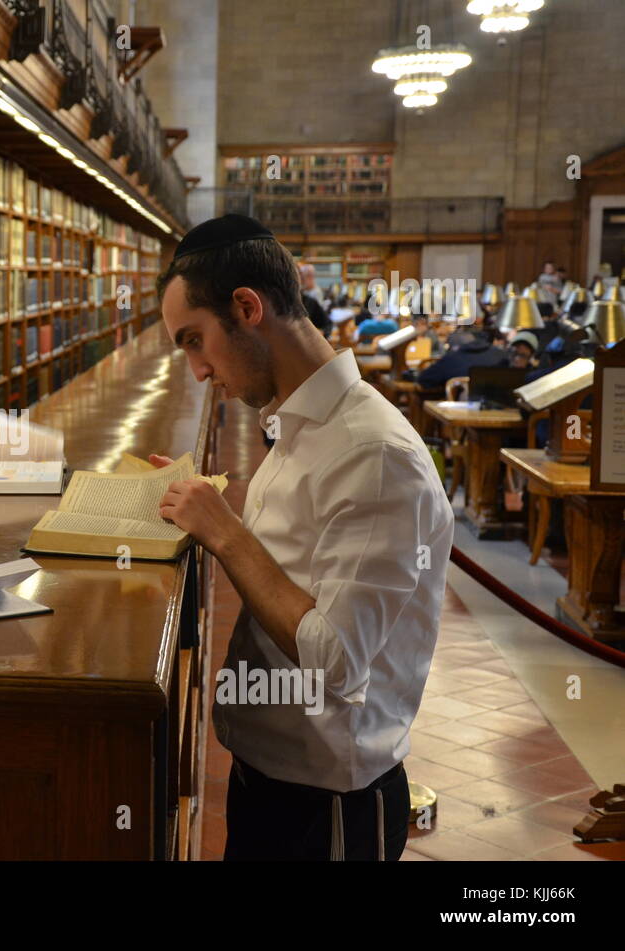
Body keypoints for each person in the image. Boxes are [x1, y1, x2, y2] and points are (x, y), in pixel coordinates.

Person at [148, 214, 453, 861]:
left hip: (326, 808)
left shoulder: (372, 453)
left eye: (196, 340)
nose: (198, 370)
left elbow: (336, 660)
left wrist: (227, 533)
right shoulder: (299, 425)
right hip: (273, 779)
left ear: (247, 308)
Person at [416, 328, 509, 389]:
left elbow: (424, 379)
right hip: (505, 411)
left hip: (463, 412)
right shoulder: (502, 355)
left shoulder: (452, 358)